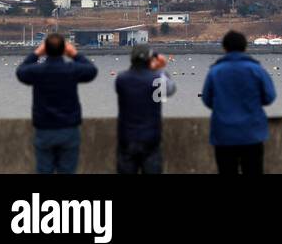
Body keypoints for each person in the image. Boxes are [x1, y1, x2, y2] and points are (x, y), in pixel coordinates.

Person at [15, 33, 98, 174]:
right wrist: (74, 54)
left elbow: (21, 72)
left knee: (43, 169)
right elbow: (91, 70)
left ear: (45, 49)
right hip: (68, 128)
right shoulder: (71, 69)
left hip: (44, 128)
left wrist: (36, 54)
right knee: (68, 170)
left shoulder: (37, 71)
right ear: (64, 49)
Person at [200, 29, 276, 174]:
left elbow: (207, 99)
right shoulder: (256, 70)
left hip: (223, 134)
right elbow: (269, 97)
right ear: (245, 46)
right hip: (252, 133)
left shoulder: (215, 71)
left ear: (224, 47)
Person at [115, 44, 177, 174]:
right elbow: (171, 89)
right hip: (150, 139)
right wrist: (160, 69)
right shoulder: (156, 79)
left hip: (127, 138)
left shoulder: (121, 79)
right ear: (150, 59)